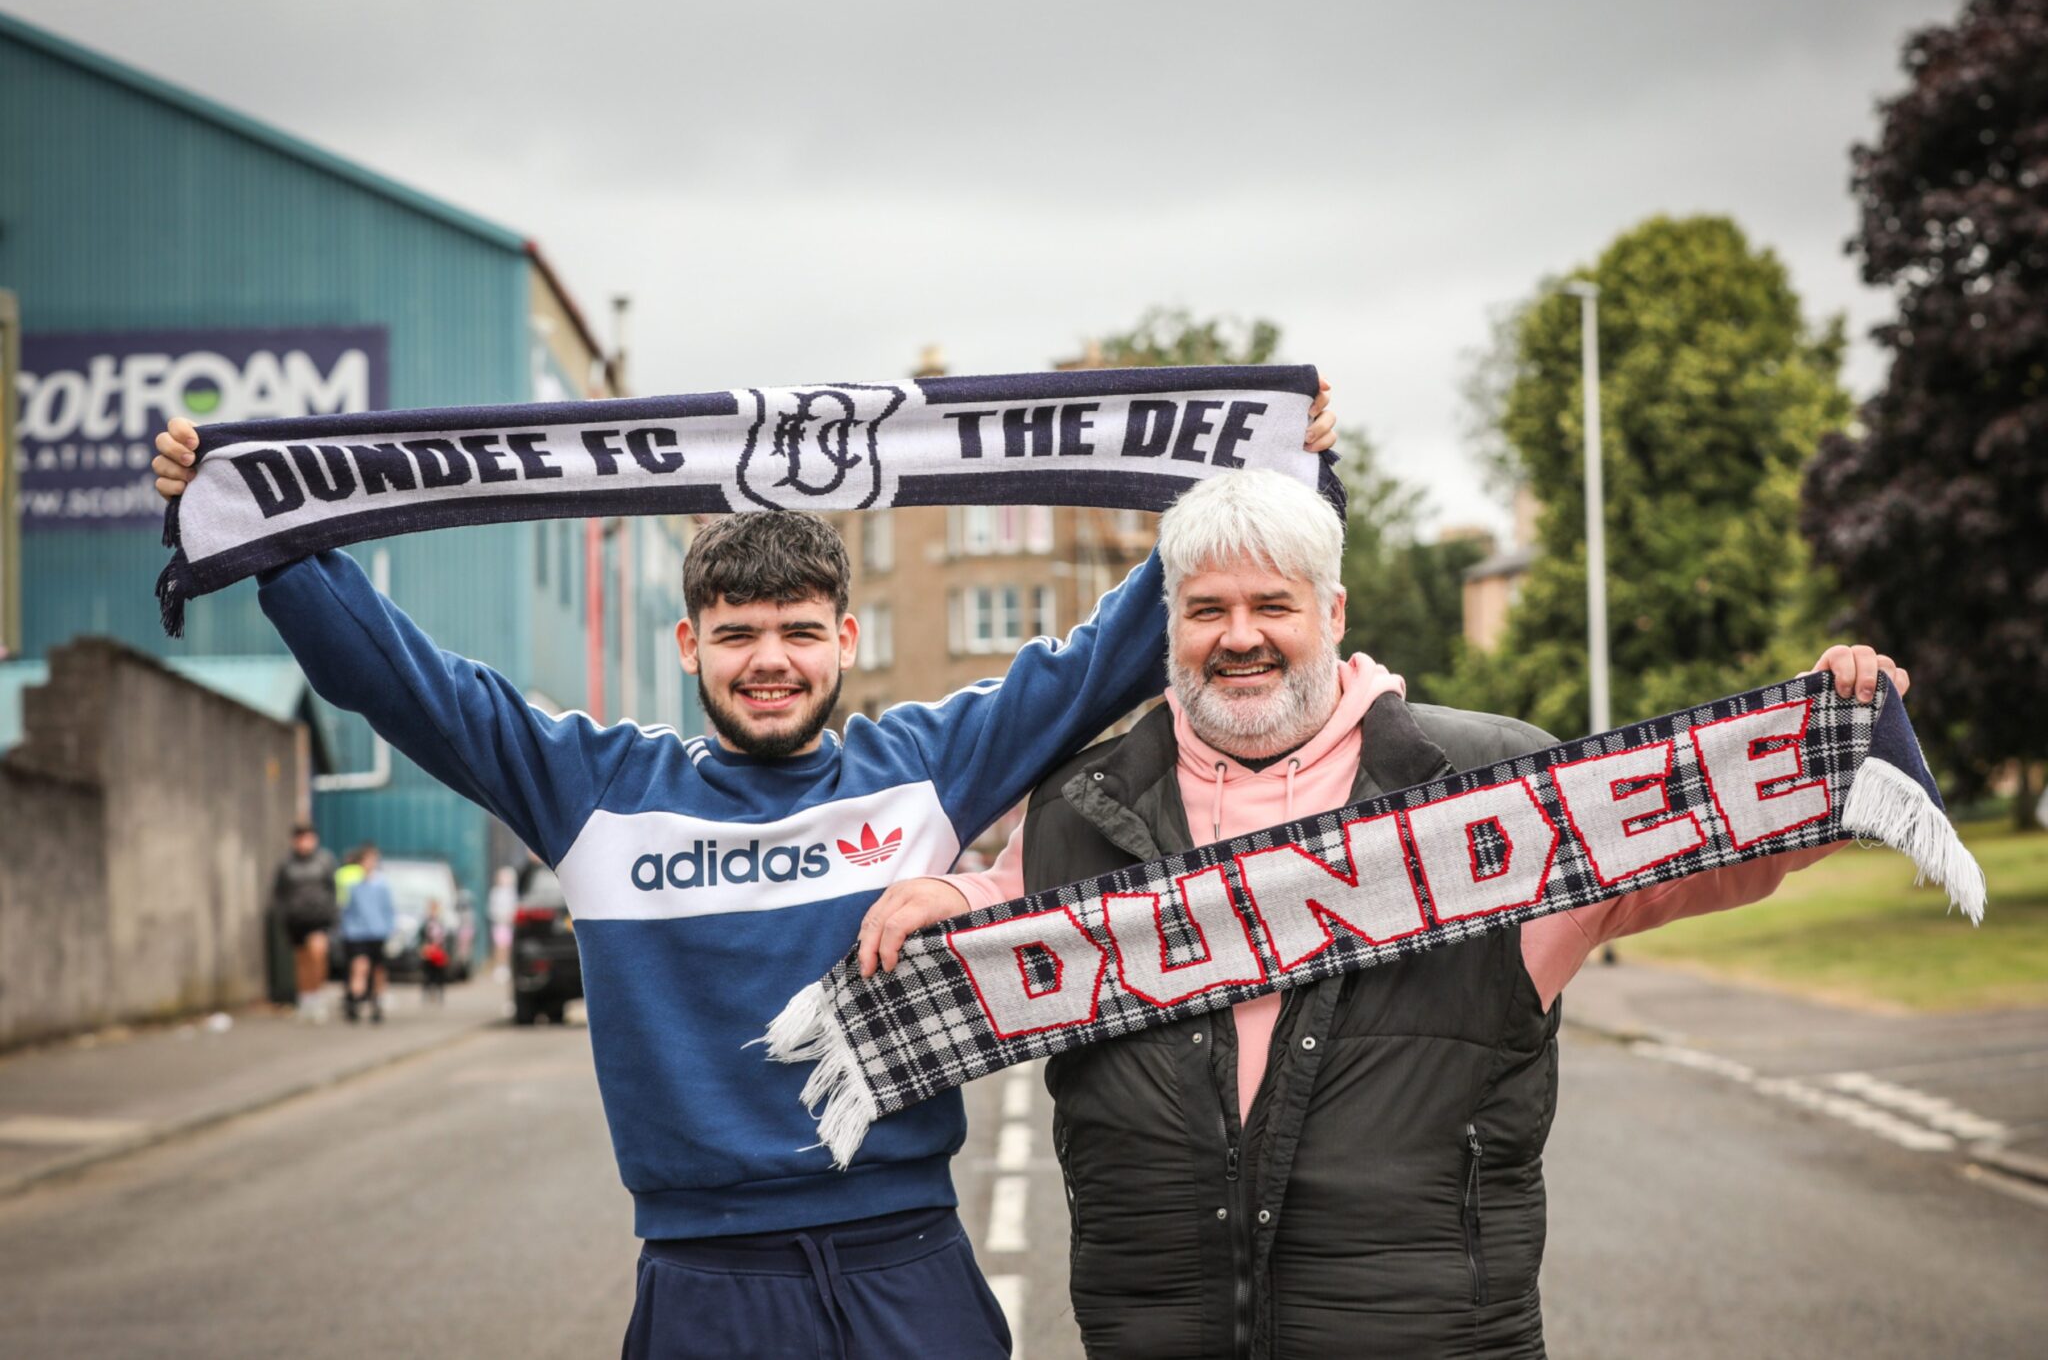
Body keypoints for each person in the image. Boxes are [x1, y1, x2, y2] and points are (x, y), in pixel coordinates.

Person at [154, 391, 1336, 1358]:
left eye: (797, 631)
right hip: (702, 1285)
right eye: (734, 634)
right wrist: (254, 519)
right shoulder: (589, 788)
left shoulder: (924, 765)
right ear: (690, 647)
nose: (768, 661)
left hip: (908, 1266)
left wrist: (1272, 472)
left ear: (844, 640)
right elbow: (399, 682)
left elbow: (1111, 653)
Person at [861, 469, 1910, 1359]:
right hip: (1156, 1329)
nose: (1238, 639)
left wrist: (1822, 749)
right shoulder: (1080, 808)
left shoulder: (1488, 784)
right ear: (1168, 629)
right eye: (1205, 610)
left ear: (1332, 614)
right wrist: (948, 897)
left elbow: (1698, 845)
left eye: (1271, 606)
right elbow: (1004, 919)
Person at [269, 822, 338, 1022]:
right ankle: (306, 999)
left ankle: (317, 996)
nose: (305, 843)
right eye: (301, 839)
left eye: (308, 838)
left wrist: (333, 915)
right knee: (302, 961)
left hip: (319, 917)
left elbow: (333, 890)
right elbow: (279, 893)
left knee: (318, 955)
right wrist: (284, 915)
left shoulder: (325, 860)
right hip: (296, 919)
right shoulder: (286, 864)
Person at [338, 844, 396, 1024]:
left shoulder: (382, 885)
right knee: (359, 966)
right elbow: (345, 909)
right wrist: (346, 928)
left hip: (377, 932)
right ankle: (356, 1000)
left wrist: (389, 928)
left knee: (378, 969)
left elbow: (388, 909)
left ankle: (376, 1001)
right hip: (357, 933)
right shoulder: (352, 884)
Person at [418, 899, 452, 1004]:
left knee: (439, 975)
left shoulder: (441, 923)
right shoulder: (425, 923)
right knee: (427, 975)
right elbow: (421, 937)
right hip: (429, 952)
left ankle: (440, 994)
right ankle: (426, 994)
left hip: (439, 952)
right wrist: (424, 948)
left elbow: (446, 939)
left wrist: (444, 952)